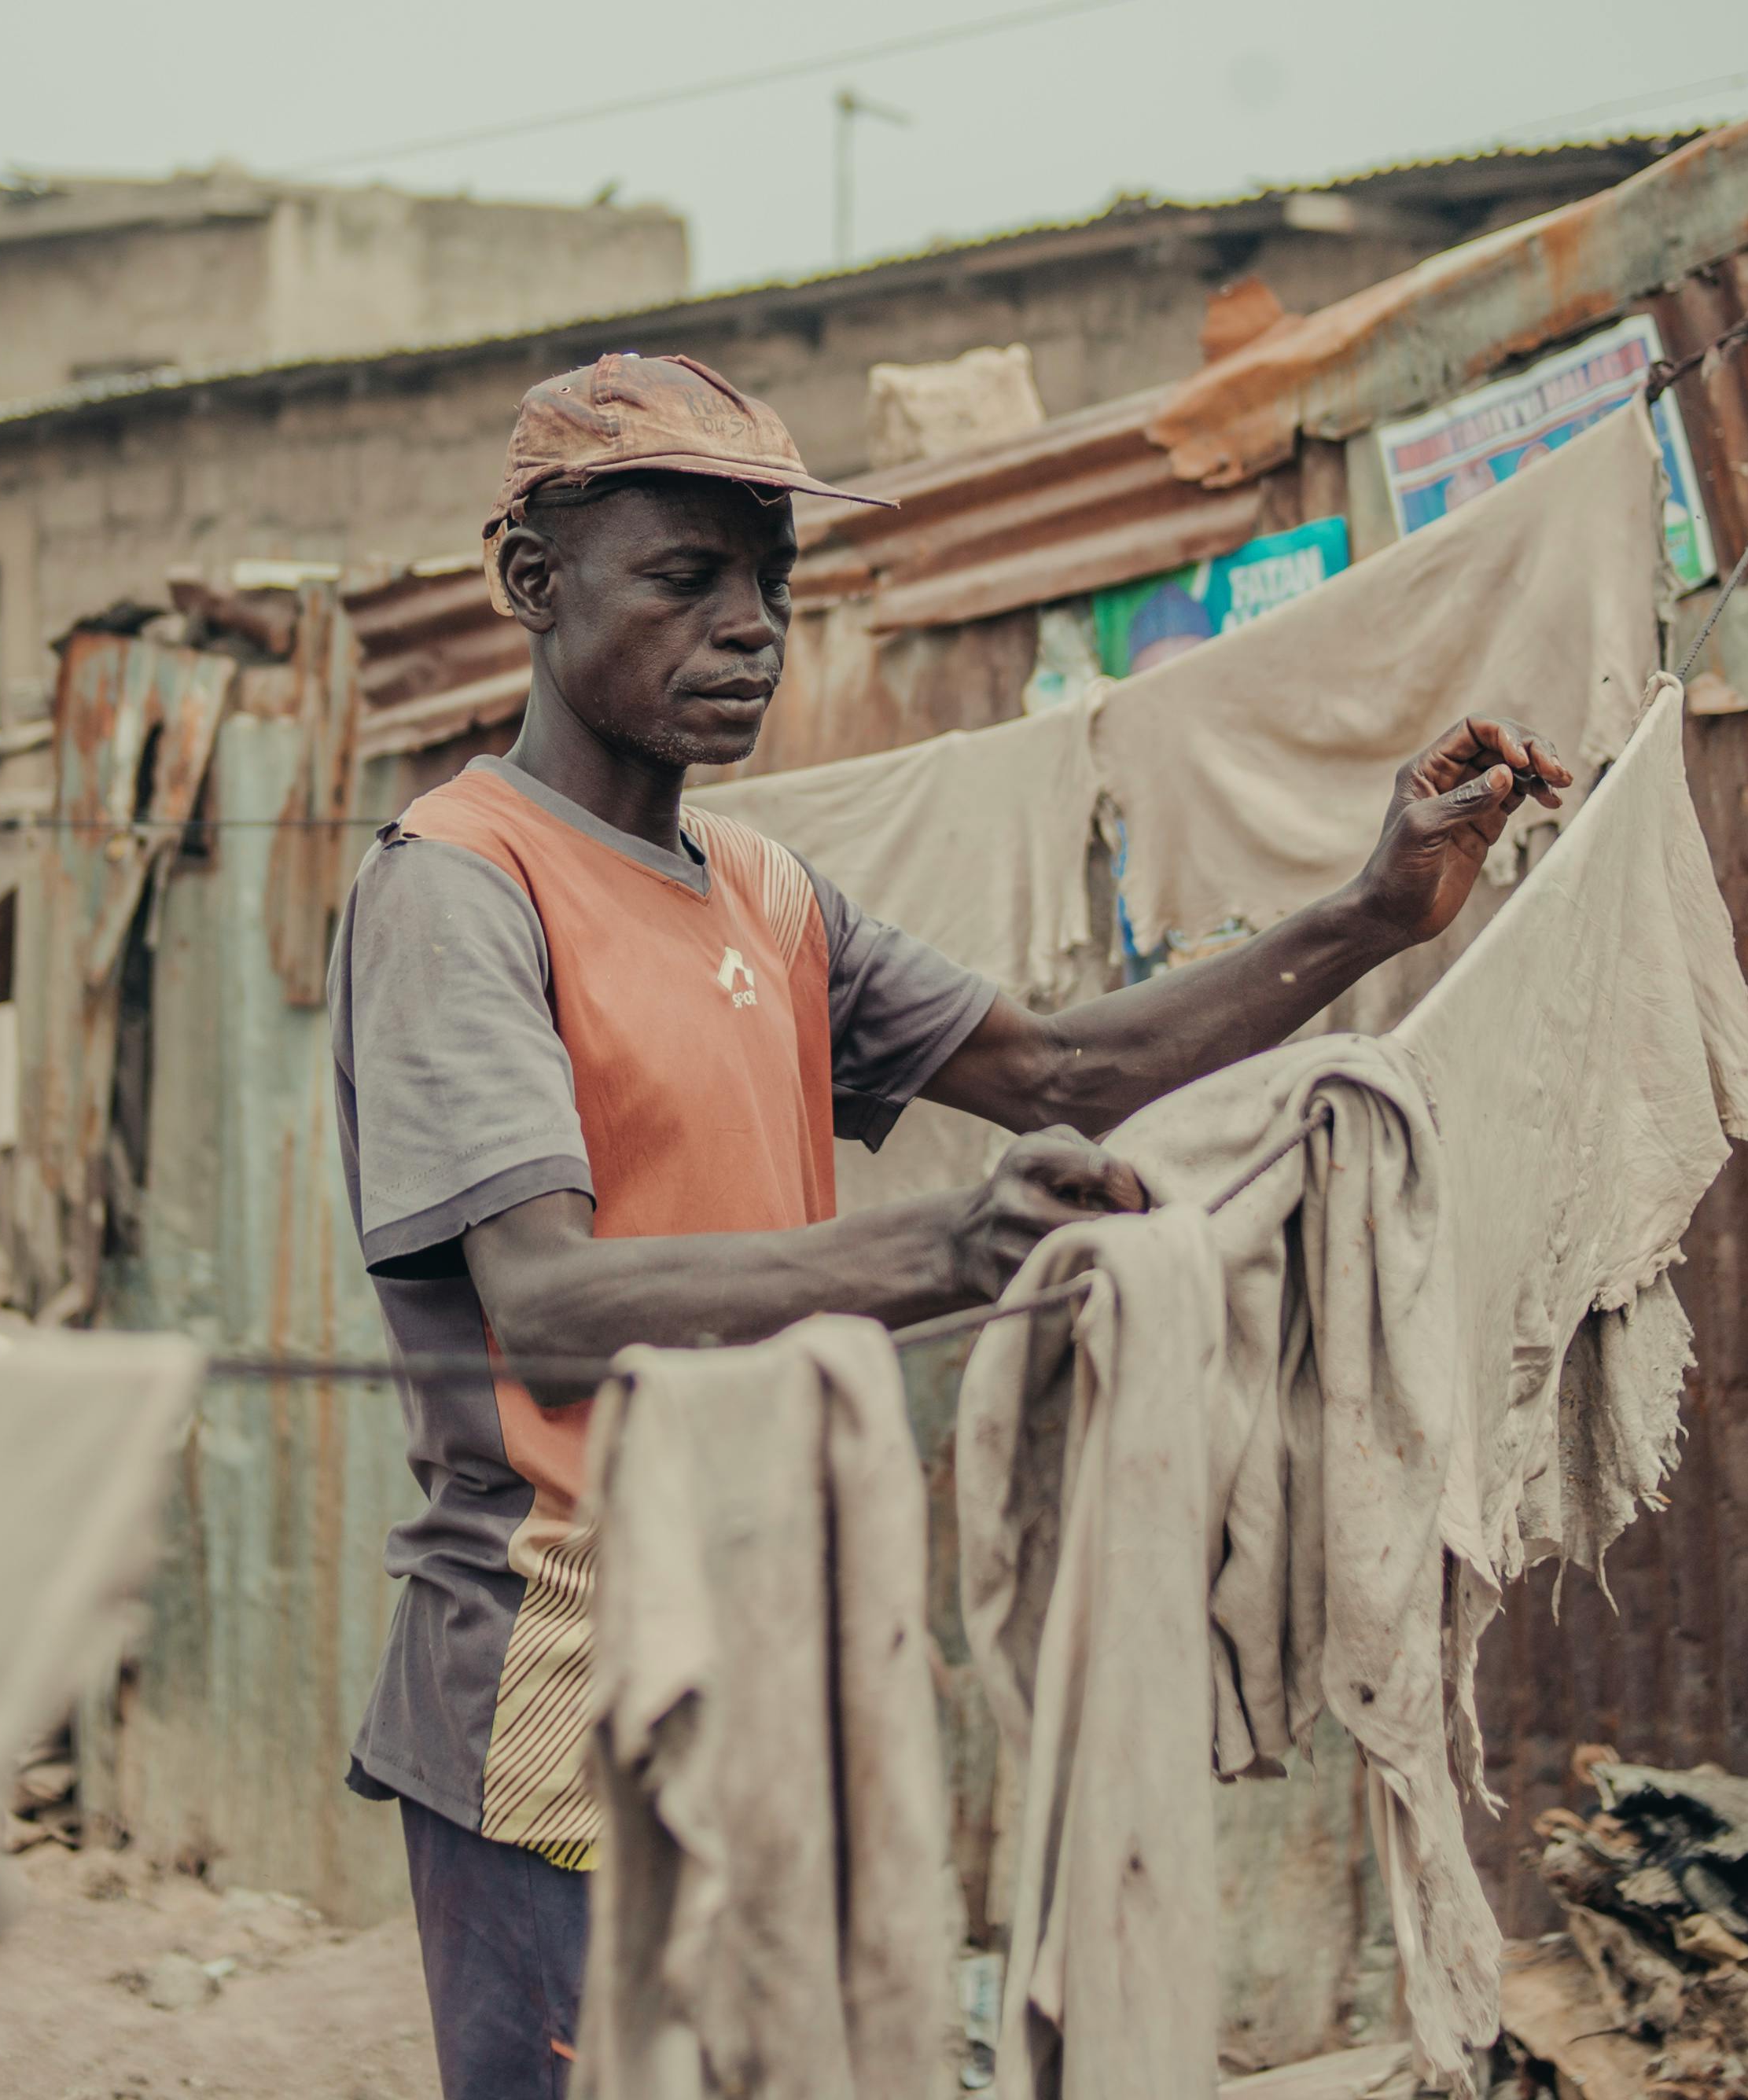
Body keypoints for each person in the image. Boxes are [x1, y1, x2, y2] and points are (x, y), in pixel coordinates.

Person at [331, 351, 1568, 2100]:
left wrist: (1377, 908)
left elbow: (1061, 1064)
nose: (752, 625)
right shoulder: (461, 885)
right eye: (688, 578)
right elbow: (543, 1303)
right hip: (558, 1655)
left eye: (773, 584)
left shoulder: (765, 892)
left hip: (783, 1608)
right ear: (533, 587)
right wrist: (943, 1253)